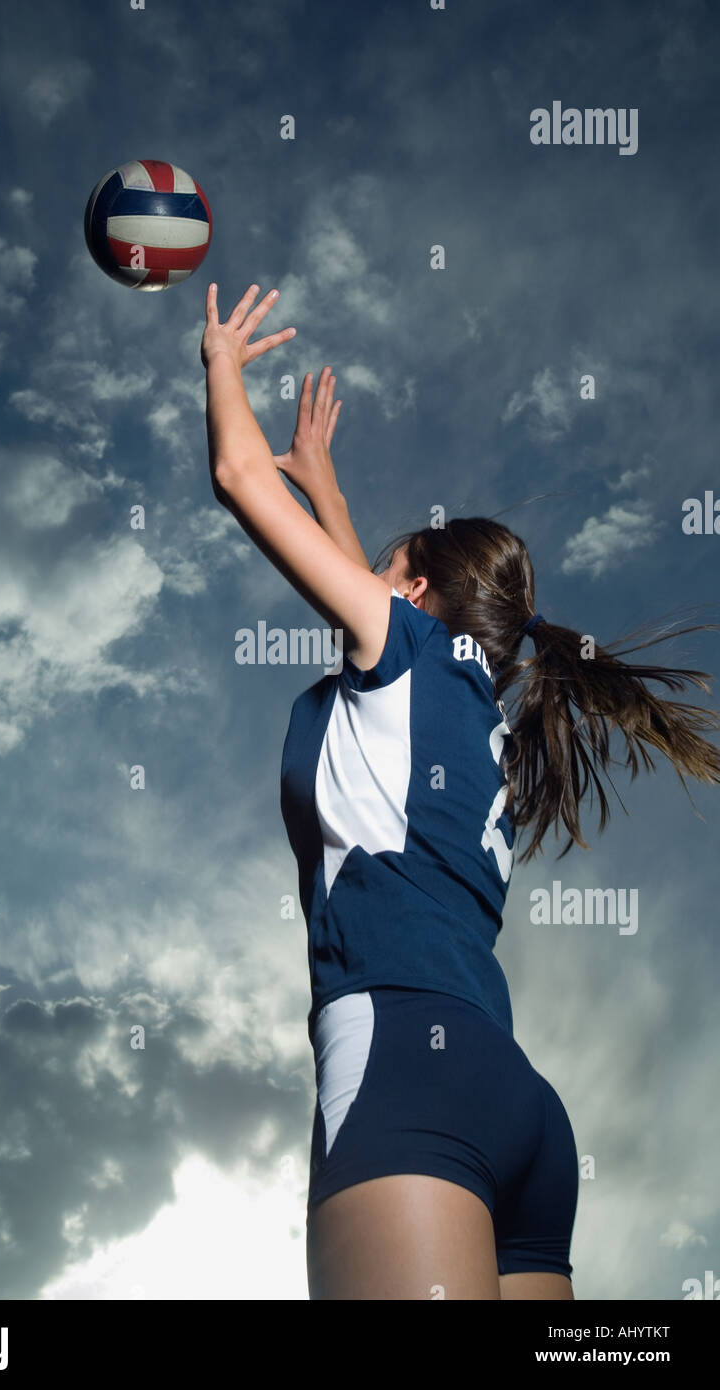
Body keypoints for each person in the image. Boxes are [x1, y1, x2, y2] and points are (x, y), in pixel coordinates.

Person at [200, 282, 720, 1300]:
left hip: (404, 1071)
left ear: (414, 595)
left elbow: (233, 475)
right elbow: (370, 586)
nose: (369, 581)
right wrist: (326, 484)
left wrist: (220, 361)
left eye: (390, 571)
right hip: (514, 1108)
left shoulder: (401, 652)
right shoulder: (469, 707)